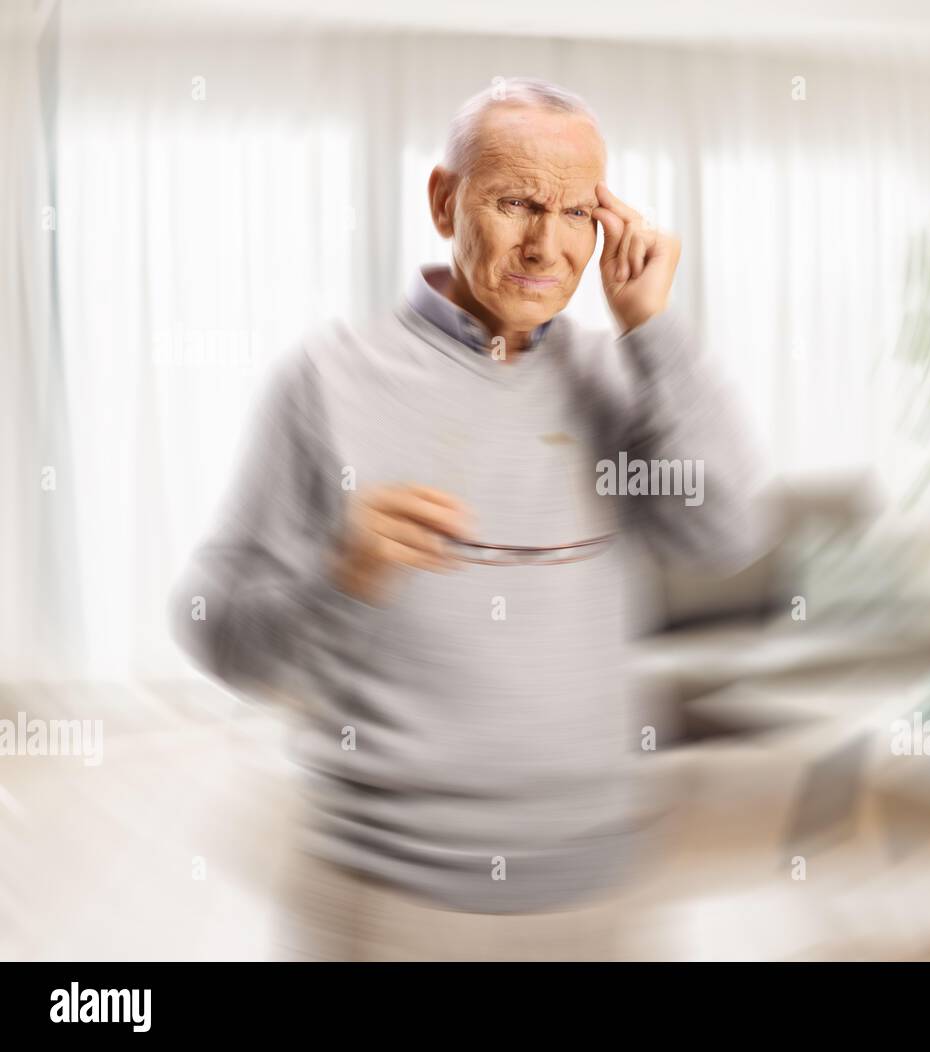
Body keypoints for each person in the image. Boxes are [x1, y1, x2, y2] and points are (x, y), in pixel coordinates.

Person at [171, 77, 768, 959]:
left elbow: (726, 537)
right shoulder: (328, 378)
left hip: (601, 886)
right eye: (517, 202)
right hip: (394, 898)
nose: (546, 245)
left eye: (576, 214)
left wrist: (655, 333)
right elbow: (216, 634)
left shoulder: (623, 377)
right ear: (445, 200)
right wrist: (339, 579)